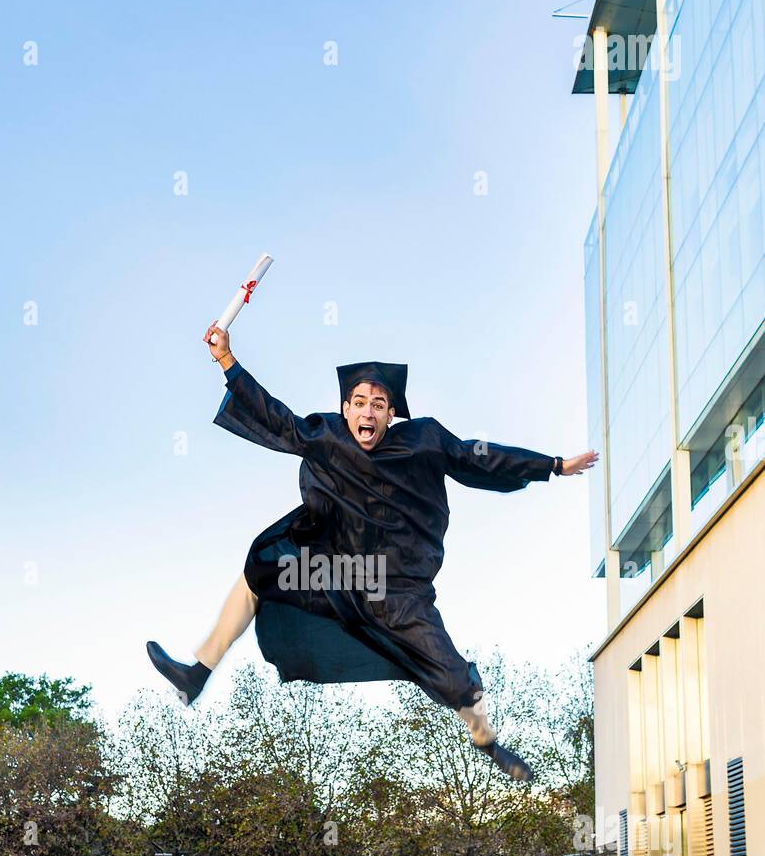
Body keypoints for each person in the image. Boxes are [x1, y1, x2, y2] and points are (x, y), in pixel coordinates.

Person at [147, 325, 597, 782]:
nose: (368, 412)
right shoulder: (327, 436)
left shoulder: (424, 440)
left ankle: (487, 742)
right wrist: (226, 360)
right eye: (359, 403)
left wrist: (554, 465)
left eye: (378, 405)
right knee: (261, 570)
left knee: (456, 678)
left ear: (391, 413)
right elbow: (275, 417)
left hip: (399, 589)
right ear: (346, 409)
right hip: (337, 570)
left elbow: (478, 458)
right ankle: (197, 674)